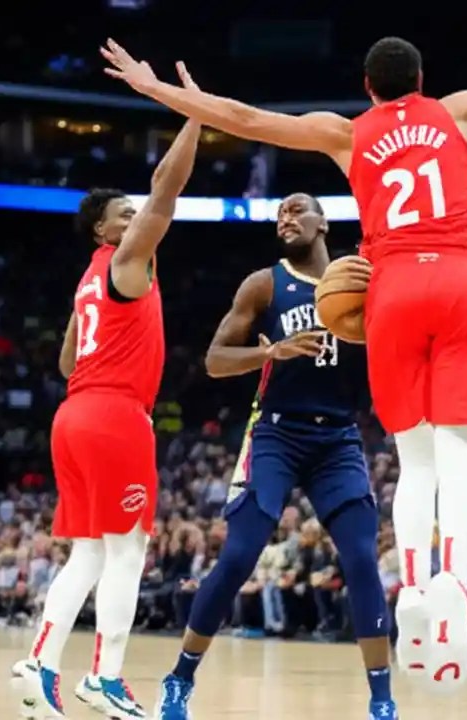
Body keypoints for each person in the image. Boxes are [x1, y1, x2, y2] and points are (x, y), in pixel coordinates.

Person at [101, 13, 467, 692]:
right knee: (458, 454)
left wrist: (160, 89)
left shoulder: (347, 133)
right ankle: (454, 585)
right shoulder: (455, 112)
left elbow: (244, 117)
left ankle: (412, 583)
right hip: (464, 280)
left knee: (413, 457)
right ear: (420, 81)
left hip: (392, 287)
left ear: (368, 86)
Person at [154, 193, 394, 720]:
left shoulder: (362, 281)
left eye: (296, 209)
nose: (285, 218)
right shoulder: (264, 283)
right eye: (280, 213)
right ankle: (179, 679)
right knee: (239, 556)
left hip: (338, 438)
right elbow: (215, 360)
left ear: (323, 221)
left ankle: (382, 702)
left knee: (360, 560)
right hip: (276, 435)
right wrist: (269, 351)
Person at [15, 63, 201, 720]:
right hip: (116, 414)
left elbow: (69, 357)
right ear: (106, 230)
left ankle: (39, 661)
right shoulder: (127, 261)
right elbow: (167, 188)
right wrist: (198, 114)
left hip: (75, 413)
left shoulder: (89, 279)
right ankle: (107, 678)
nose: (138, 214)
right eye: (126, 213)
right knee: (129, 551)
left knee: (90, 552)